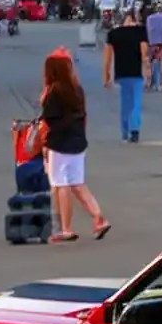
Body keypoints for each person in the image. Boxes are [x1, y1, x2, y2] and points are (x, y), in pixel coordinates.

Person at [41, 48, 110, 243]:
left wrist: (45, 143)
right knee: (78, 184)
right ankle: (98, 217)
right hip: (78, 142)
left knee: (61, 184)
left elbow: (49, 120)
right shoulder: (77, 89)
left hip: (59, 144)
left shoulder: (53, 92)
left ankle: (66, 228)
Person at [102, 11, 150, 143]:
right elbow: (144, 52)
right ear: (135, 19)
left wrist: (106, 76)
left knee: (125, 103)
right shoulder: (140, 31)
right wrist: (147, 70)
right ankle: (134, 130)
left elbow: (107, 57)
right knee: (136, 102)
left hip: (121, 73)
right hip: (136, 72)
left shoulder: (113, 34)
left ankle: (125, 131)